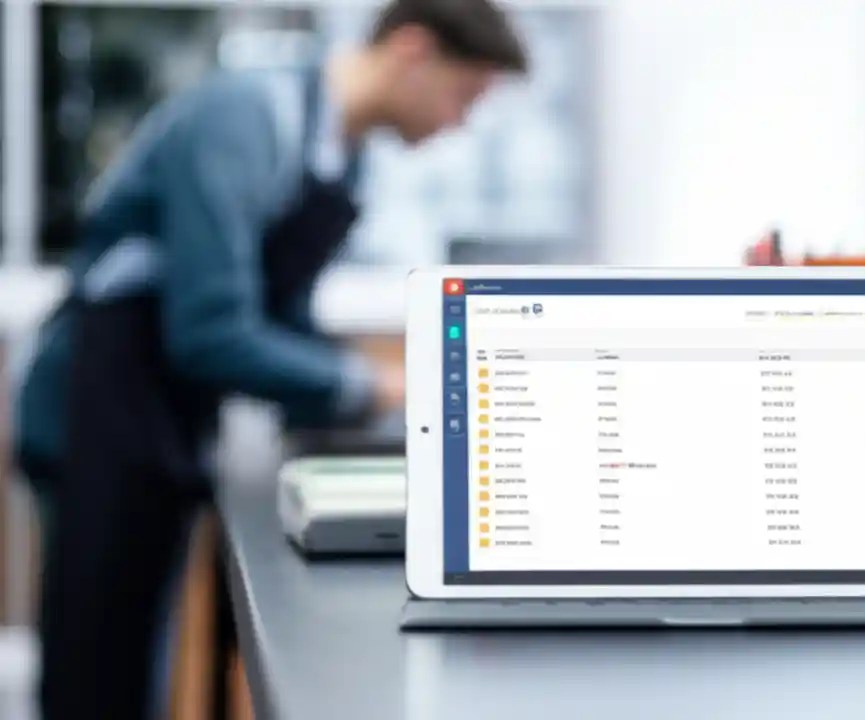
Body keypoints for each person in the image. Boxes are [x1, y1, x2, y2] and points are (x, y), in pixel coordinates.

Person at [13, 1, 527, 717]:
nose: (458, 123)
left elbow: (279, 323)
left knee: (133, 670)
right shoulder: (247, 121)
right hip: (99, 407)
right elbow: (214, 331)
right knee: (93, 675)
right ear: (412, 50)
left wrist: (365, 389)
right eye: (463, 95)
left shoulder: (339, 160)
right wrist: (366, 382)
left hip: (164, 416)